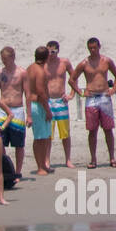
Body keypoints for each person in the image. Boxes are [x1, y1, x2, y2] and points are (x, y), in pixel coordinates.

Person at [70, 37, 116, 168]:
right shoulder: (84, 63)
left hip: (104, 96)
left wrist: (114, 88)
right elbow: (71, 80)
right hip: (91, 98)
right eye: (90, 48)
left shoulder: (106, 61)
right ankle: (93, 159)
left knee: (108, 129)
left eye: (94, 47)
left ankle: (112, 158)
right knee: (92, 130)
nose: (93, 50)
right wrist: (81, 93)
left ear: (99, 47)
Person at [0, 46, 29, 176]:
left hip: (17, 109)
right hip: (2, 111)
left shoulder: (22, 73)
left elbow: (28, 94)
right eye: (2, 59)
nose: (4, 61)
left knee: (18, 143)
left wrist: (29, 115)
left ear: (13, 57)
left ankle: (18, 172)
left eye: (6, 59)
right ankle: (5, 170)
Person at [43, 41, 77, 169]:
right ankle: (47, 160)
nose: (50, 54)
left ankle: (68, 159)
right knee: (48, 133)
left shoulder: (64, 62)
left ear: (58, 51)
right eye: (48, 51)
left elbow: (74, 76)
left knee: (65, 133)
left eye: (53, 52)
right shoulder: (43, 63)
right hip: (48, 101)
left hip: (61, 101)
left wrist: (71, 94)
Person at [24, 45, 54, 176]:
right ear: (46, 57)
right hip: (39, 104)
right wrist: (48, 110)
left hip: (35, 103)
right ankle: (40, 166)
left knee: (44, 137)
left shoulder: (30, 68)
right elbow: (41, 92)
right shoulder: (40, 71)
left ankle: (42, 165)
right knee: (40, 138)